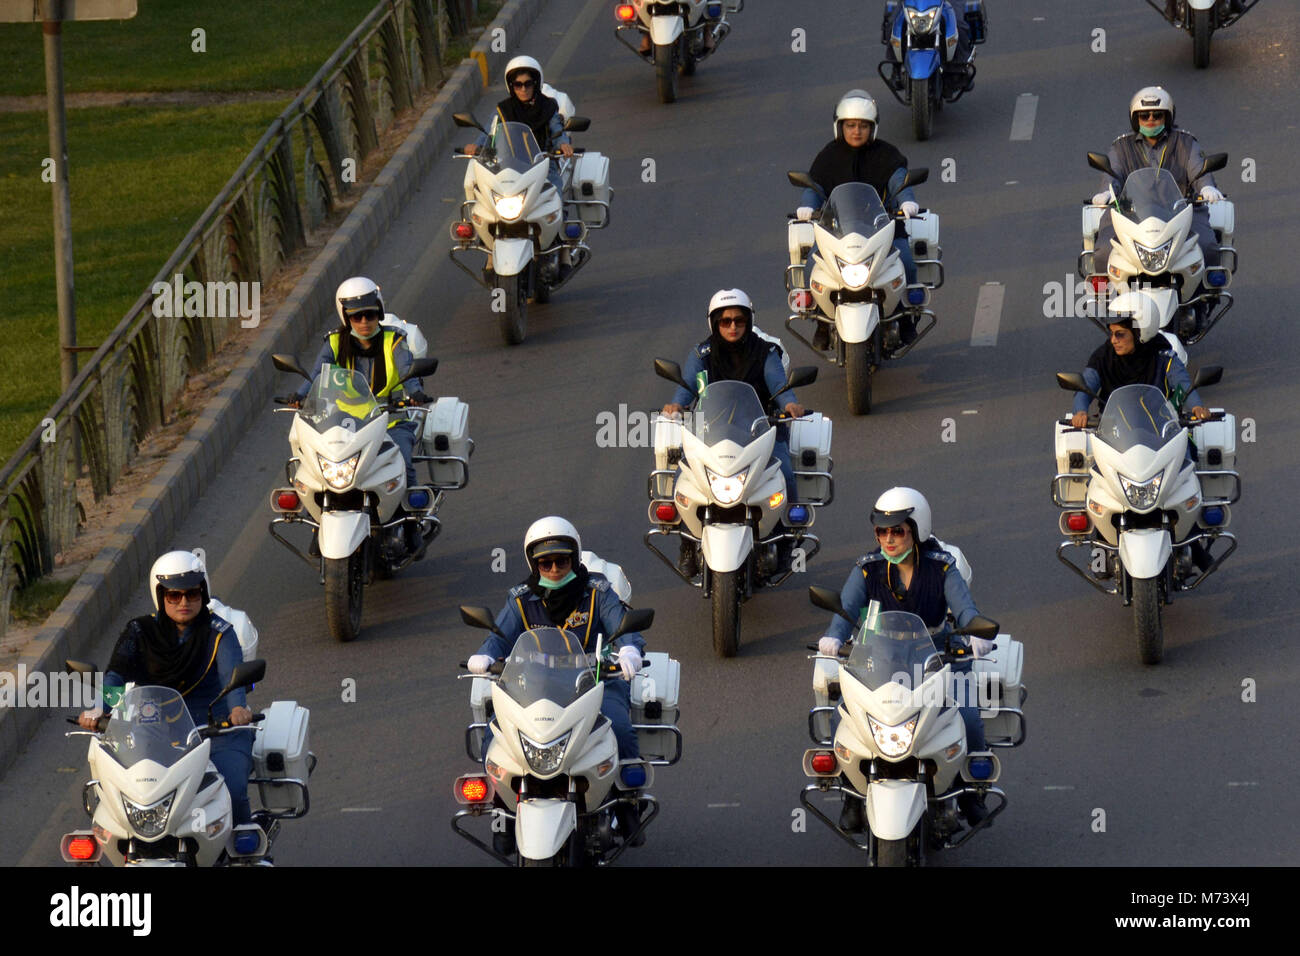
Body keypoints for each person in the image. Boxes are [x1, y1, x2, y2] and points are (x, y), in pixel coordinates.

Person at [817, 488, 993, 831]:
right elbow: (847, 607)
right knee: (847, 718)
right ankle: (852, 793)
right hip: (881, 656)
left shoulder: (942, 567)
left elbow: (965, 608)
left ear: (916, 529)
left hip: (940, 657)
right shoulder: (868, 569)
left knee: (969, 718)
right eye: (882, 531)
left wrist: (974, 633)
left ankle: (970, 795)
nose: (888, 538)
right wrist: (834, 636)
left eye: (897, 530)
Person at [467, 517, 646, 847]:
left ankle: (628, 799)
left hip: (594, 681)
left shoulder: (597, 592)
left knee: (619, 726)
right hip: (533, 688)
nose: (553, 568)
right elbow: (499, 637)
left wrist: (630, 651)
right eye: (545, 562)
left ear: (573, 559)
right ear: (533, 564)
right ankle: (501, 810)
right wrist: (485, 656)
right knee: (494, 734)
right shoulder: (520, 599)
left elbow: (624, 626)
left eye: (561, 560)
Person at [78, 551, 255, 826]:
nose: (184, 602)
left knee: (231, 788)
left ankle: (246, 849)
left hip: (216, 732)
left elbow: (232, 675)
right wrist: (100, 708)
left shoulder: (220, 633)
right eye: (174, 595)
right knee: (115, 795)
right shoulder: (139, 631)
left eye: (193, 594)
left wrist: (237, 709)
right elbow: (117, 674)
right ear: (160, 595)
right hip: (153, 734)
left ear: (203, 594)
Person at [661, 289, 803, 576]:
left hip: (760, 431)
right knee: (681, 478)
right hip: (709, 434)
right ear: (714, 323)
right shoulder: (702, 354)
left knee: (785, 472)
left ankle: (788, 540)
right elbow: (687, 385)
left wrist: (790, 404)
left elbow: (777, 385)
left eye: (739, 320)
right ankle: (688, 544)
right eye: (725, 321)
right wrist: (677, 404)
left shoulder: (764, 352)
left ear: (749, 321)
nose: (733, 326)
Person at [797, 90, 921, 348]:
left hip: (883, 227)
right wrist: (807, 207)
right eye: (850, 125)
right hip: (836, 231)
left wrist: (906, 201)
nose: (856, 131)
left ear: (873, 128)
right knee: (812, 266)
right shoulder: (828, 156)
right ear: (839, 126)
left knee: (906, 264)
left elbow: (899, 180)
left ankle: (905, 318)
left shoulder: (887, 154)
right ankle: (821, 320)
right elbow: (815, 186)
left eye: (863, 126)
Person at [1091, 87, 1223, 319]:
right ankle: (1112, 305)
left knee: (1208, 247)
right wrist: (1106, 193)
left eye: (1157, 115)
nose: (1151, 120)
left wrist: (1207, 188)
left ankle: (1202, 301)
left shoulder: (1185, 142)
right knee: (1102, 253)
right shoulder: (1121, 147)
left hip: (1181, 210)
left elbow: (1197, 170)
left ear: (1168, 117)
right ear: (1135, 119)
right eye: (1145, 116)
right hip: (1131, 214)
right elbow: (1112, 174)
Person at [464, 55, 572, 194]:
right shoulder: (503, 109)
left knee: (555, 195)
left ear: (536, 83)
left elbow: (557, 128)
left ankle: (560, 214)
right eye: (518, 85)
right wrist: (475, 146)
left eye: (528, 84)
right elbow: (489, 132)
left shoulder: (548, 107)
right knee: (482, 195)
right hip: (509, 166)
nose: (523, 89)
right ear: (511, 86)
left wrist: (563, 144)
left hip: (543, 164)